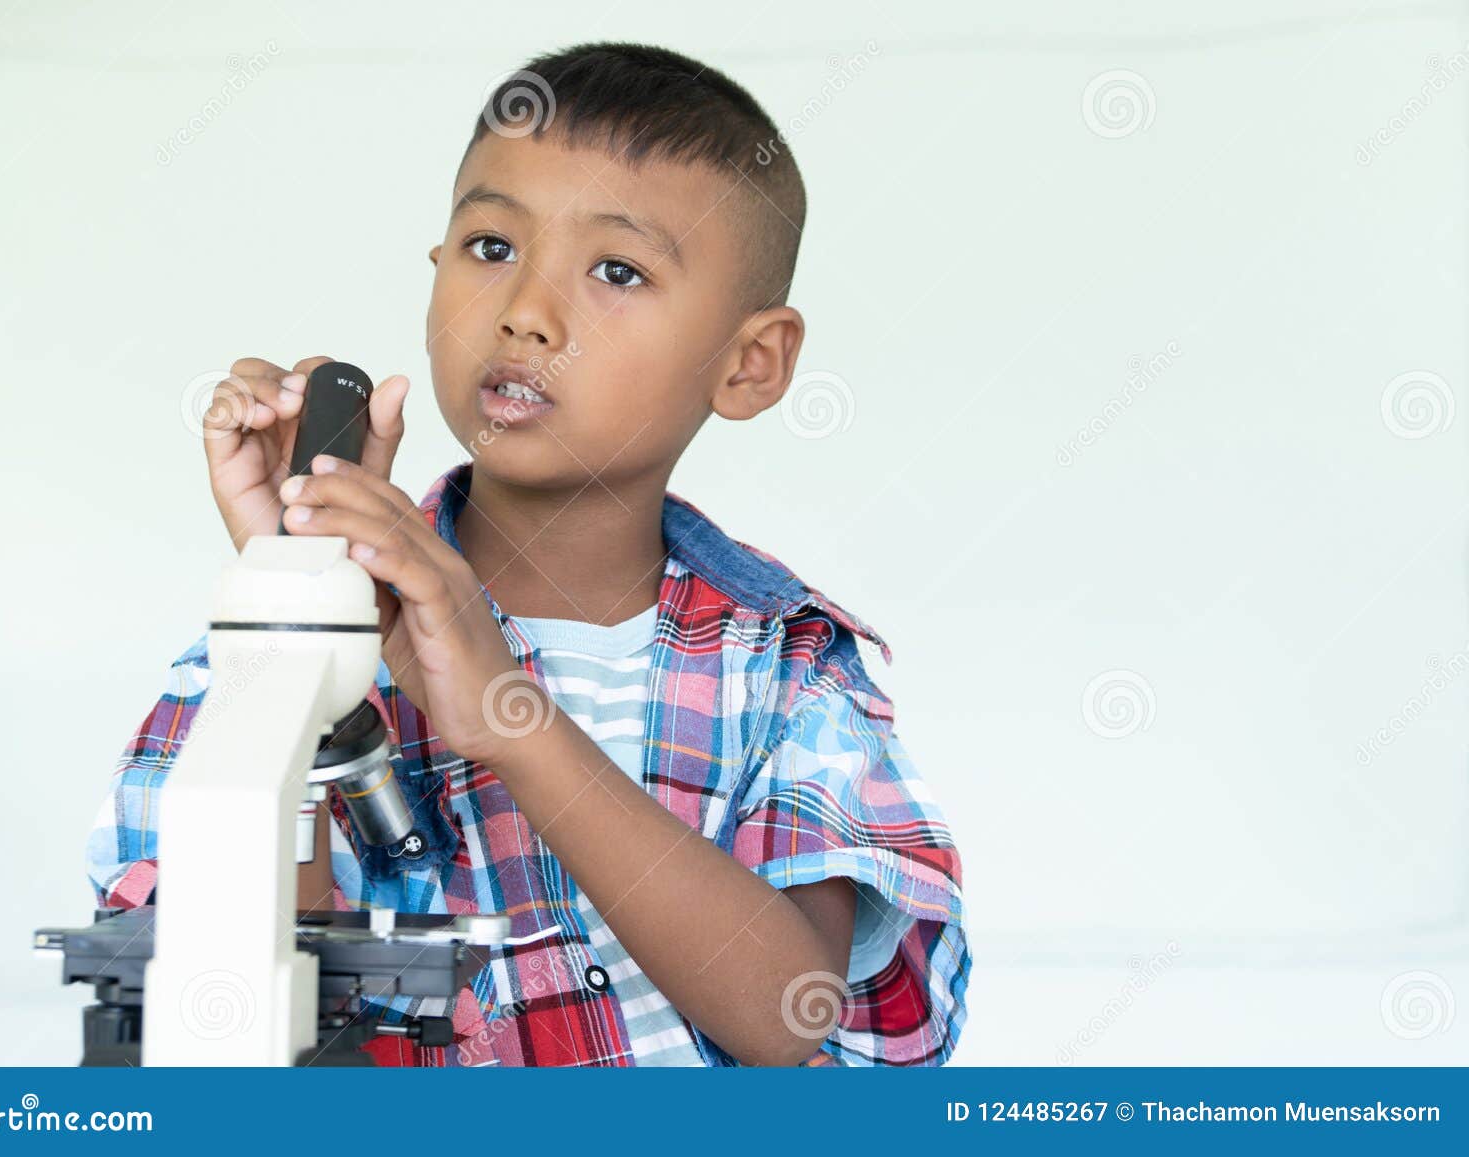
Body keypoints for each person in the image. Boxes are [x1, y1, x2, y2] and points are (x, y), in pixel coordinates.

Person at [85, 40, 970, 1067]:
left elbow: (797, 1016)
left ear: (749, 362)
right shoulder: (286, 633)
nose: (525, 313)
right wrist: (297, 625)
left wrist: (513, 717)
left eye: (616, 270)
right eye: (492, 246)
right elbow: (211, 1012)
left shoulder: (786, 669)